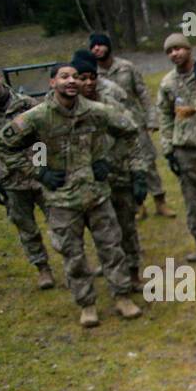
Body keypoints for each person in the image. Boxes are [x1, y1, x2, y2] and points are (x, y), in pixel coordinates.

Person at [0, 62, 142, 327]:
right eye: (64, 77)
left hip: (97, 195)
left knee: (112, 248)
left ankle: (122, 296)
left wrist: (108, 158)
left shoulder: (96, 112)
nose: (71, 81)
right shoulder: (37, 117)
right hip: (61, 200)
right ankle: (87, 304)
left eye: (75, 76)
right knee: (73, 256)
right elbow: (4, 146)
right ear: (53, 83)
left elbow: (130, 130)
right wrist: (37, 173)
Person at [75, 50, 147, 293]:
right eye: (81, 78)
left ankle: (134, 272)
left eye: (91, 77)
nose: (87, 83)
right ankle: (114, 274)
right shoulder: (61, 109)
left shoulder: (111, 104)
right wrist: (42, 170)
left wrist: (138, 173)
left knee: (126, 227)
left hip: (118, 174)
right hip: (86, 183)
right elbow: (41, 143)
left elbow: (132, 137)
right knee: (103, 231)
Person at [89, 31, 172, 219]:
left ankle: (160, 201)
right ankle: (138, 205)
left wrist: (151, 119)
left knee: (148, 162)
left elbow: (142, 93)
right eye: (93, 46)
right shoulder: (93, 74)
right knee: (124, 166)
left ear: (108, 46)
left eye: (100, 44)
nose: (97, 48)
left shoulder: (126, 67)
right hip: (110, 128)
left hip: (135, 123)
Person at [0, 64, 55, 289]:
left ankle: (73, 261)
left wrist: (43, 167)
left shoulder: (26, 104)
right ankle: (43, 269)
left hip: (40, 177)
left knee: (59, 222)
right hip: (11, 181)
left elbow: (45, 135)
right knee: (26, 228)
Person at [157, 33, 196, 260]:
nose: (174, 54)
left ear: (188, 49)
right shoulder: (168, 83)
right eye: (170, 51)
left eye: (178, 48)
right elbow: (164, 115)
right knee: (193, 200)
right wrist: (168, 148)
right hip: (185, 148)